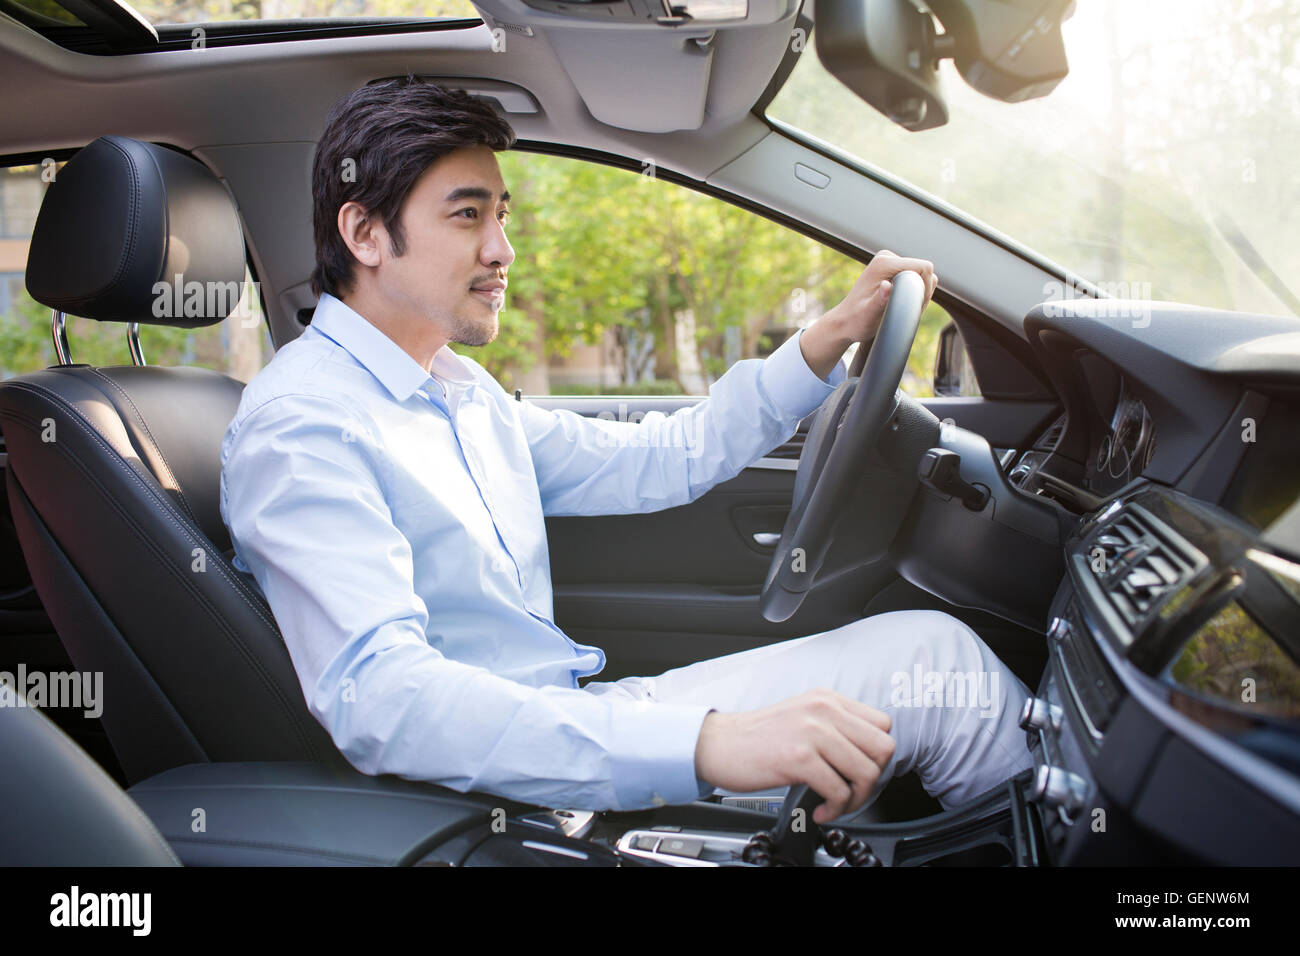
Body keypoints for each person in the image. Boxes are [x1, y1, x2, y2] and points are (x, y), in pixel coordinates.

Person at [220, 76, 1033, 826]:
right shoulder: (302, 426)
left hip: (576, 721)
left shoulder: (457, 390)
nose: (503, 250)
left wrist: (821, 345)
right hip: (503, 794)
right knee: (948, 686)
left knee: (935, 657)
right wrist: (708, 744)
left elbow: (658, 459)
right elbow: (385, 700)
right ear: (364, 232)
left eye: (503, 214)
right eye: (467, 215)